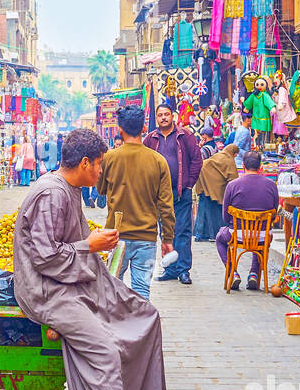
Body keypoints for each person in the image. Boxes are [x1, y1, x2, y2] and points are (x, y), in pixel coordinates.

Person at [12, 128, 202, 390]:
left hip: (73, 280)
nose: (101, 172)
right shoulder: (52, 194)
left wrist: (90, 243)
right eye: (99, 165)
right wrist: (89, 244)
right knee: (104, 351)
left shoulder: (69, 189)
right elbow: (45, 257)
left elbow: (64, 244)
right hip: (48, 292)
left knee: (145, 315)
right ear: (84, 163)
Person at [96, 106, 174, 300]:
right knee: (142, 290)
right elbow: (166, 206)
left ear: (119, 129)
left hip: (115, 236)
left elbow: (101, 189)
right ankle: (141, 329)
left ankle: (115, 328)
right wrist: (168, 239)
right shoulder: (158, 161)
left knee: (113, 289)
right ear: (144, 128)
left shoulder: (110, 158)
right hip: (146, 238)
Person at [143, 104, 202, 285]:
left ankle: (184, 270)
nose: (163, 118)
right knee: (165, 232)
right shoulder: (150, 139)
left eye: (166, 114)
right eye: (160, 115)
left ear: (172, 116)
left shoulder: (185, 136)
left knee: (182, 231)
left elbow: (197, 160)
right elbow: (143, 162)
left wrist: (189, 184)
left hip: (180, 193)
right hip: (160, 195)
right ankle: (170, 269)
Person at [218, 149, 281, 291]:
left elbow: (225, 217)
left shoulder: (233, 185)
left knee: (219, 238)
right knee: (260, 236)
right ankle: (253, 273)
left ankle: (233, 272)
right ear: (260, 167)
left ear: (243, 166)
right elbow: (273, 212)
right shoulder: (271, 186)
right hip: (262, 236)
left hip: (237, 234)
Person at [194, 143, 239, 243]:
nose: (236, 156)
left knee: (204, 207)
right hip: (210, 183)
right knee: (214, 209)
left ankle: (200, 234)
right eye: (236, 154)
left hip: (203, 179)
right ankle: (213, 234)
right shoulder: (229, 159)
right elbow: (233, 178)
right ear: (233, 152)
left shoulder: (220, 155)